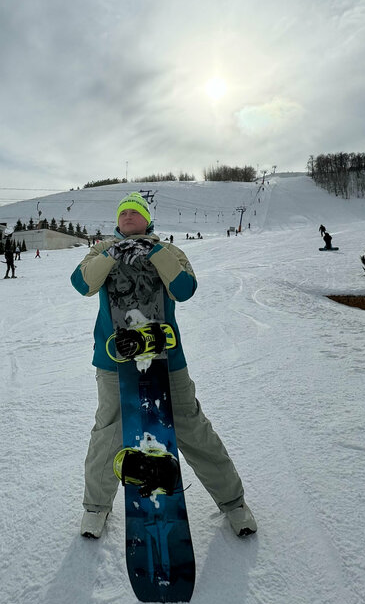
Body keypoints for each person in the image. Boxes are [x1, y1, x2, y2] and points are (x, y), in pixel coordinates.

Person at [70, 192, 257, 540]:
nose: (127, 215)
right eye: (122, 211)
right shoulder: (102, 250)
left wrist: (153, 252)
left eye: (134, 211)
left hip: (166, 358)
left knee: (190, 427)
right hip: (114, 360)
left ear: (147, 219)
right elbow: (83, 283)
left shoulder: (168, 251)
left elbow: (184, 289)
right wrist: (113, 253)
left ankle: (233, 502)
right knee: (109, 432)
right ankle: (95, 508)